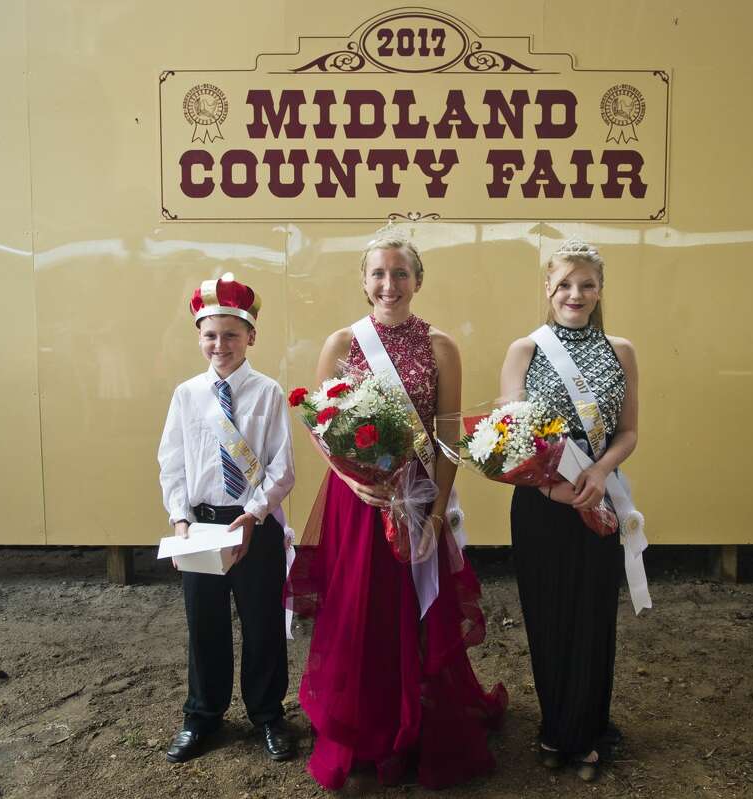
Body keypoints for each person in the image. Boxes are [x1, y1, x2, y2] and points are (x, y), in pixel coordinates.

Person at [287, 233, 507, 790]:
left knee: (414, 610)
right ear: (364, 282)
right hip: (359, 502)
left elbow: (449, 437)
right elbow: (320, 425)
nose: (390, 285)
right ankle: (365, 724)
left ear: (418, 280)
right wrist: (350, 480)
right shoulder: (342, 343)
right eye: (379, 274)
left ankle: (417, 722)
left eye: (401, 273)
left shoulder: (441, 346)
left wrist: (435, 512)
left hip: (415, 497)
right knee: (361, 609)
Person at [498, 240, 639, 782]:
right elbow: (509, 438)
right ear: (548, 288)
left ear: (600, 290)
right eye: (564, 284)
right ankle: (557, 728)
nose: (574, 294)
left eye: (586, 284)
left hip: (598, 498)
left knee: (594, 615)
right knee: (549, 614)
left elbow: (628, 432)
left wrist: (600, 473)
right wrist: (551, 490)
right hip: (540, 504)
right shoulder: (525, 350)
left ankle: (587, 731)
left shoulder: (621, 350)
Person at [157, 273, 297, 764]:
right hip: (201, 526)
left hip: (255, 524)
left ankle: (268, 714)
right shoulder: (187, 394)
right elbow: (172, 462)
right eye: (211, 335)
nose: (221, 345)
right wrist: (180, 521)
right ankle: (202, 716)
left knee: (262, 624)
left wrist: (255, 513)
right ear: (199, 338)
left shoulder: (268, 392)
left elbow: (282, 467)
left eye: (232, 335)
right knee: (205, 625)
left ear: (251, 336)